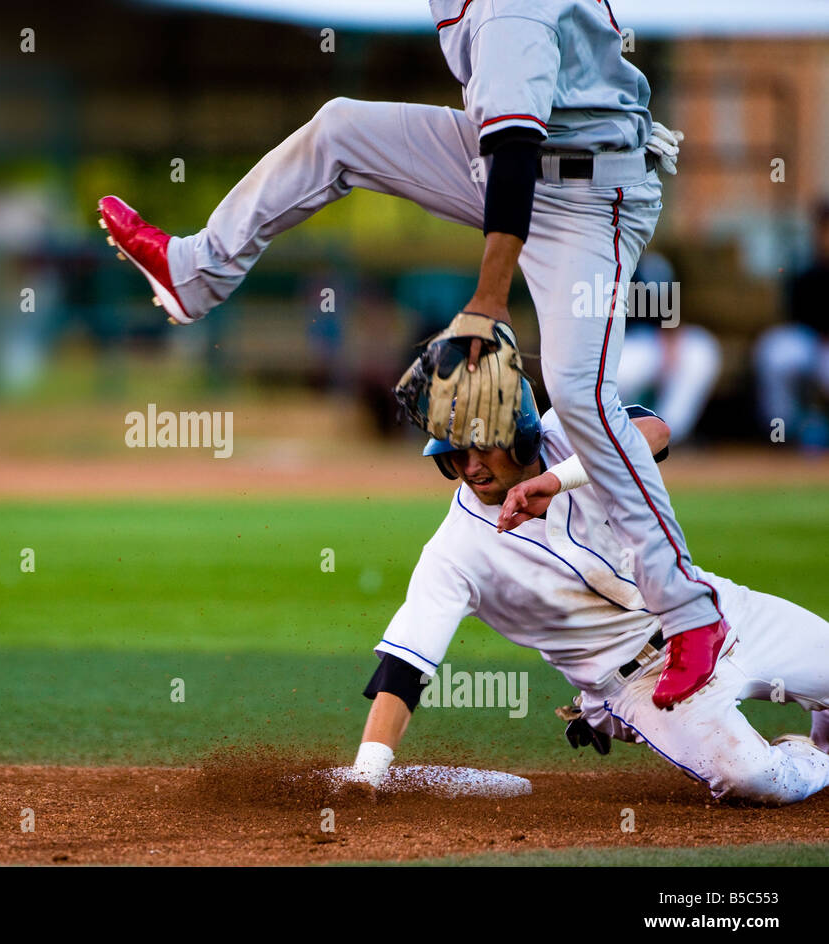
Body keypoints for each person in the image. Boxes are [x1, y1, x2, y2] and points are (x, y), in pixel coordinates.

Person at [98, 0, 728, 710]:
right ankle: (195, 271)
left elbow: (516, 148)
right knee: (341, 130)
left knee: (579, 393)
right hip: (530, 164)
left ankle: (690, 613)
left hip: (590, 195)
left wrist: (488, 300)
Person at [346, 382, 829, 804]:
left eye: (481, 448)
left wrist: (558, 480)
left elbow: (654, 431)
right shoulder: (454, 553)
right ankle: (815, 762)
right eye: (454, 454)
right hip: (645, 686)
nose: (469, 466)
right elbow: (405, 668)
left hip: (717, 612)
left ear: (521, 435)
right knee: (754, 777)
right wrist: (367, 773)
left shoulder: (570, 430)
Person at [617, 252, 721, 443]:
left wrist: (671, 334)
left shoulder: (655, 265)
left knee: (701, 351)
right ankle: (617, 437)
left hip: (652, 342)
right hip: (620, 343)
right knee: (620, 374)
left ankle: (669, 434)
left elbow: (668, 311)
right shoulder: (598, 260)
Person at [753, 200, 829, 451]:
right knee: (774, 351)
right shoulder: (807, 271)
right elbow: (795, 316)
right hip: (809, 340)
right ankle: (785, 430)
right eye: (822, 230)